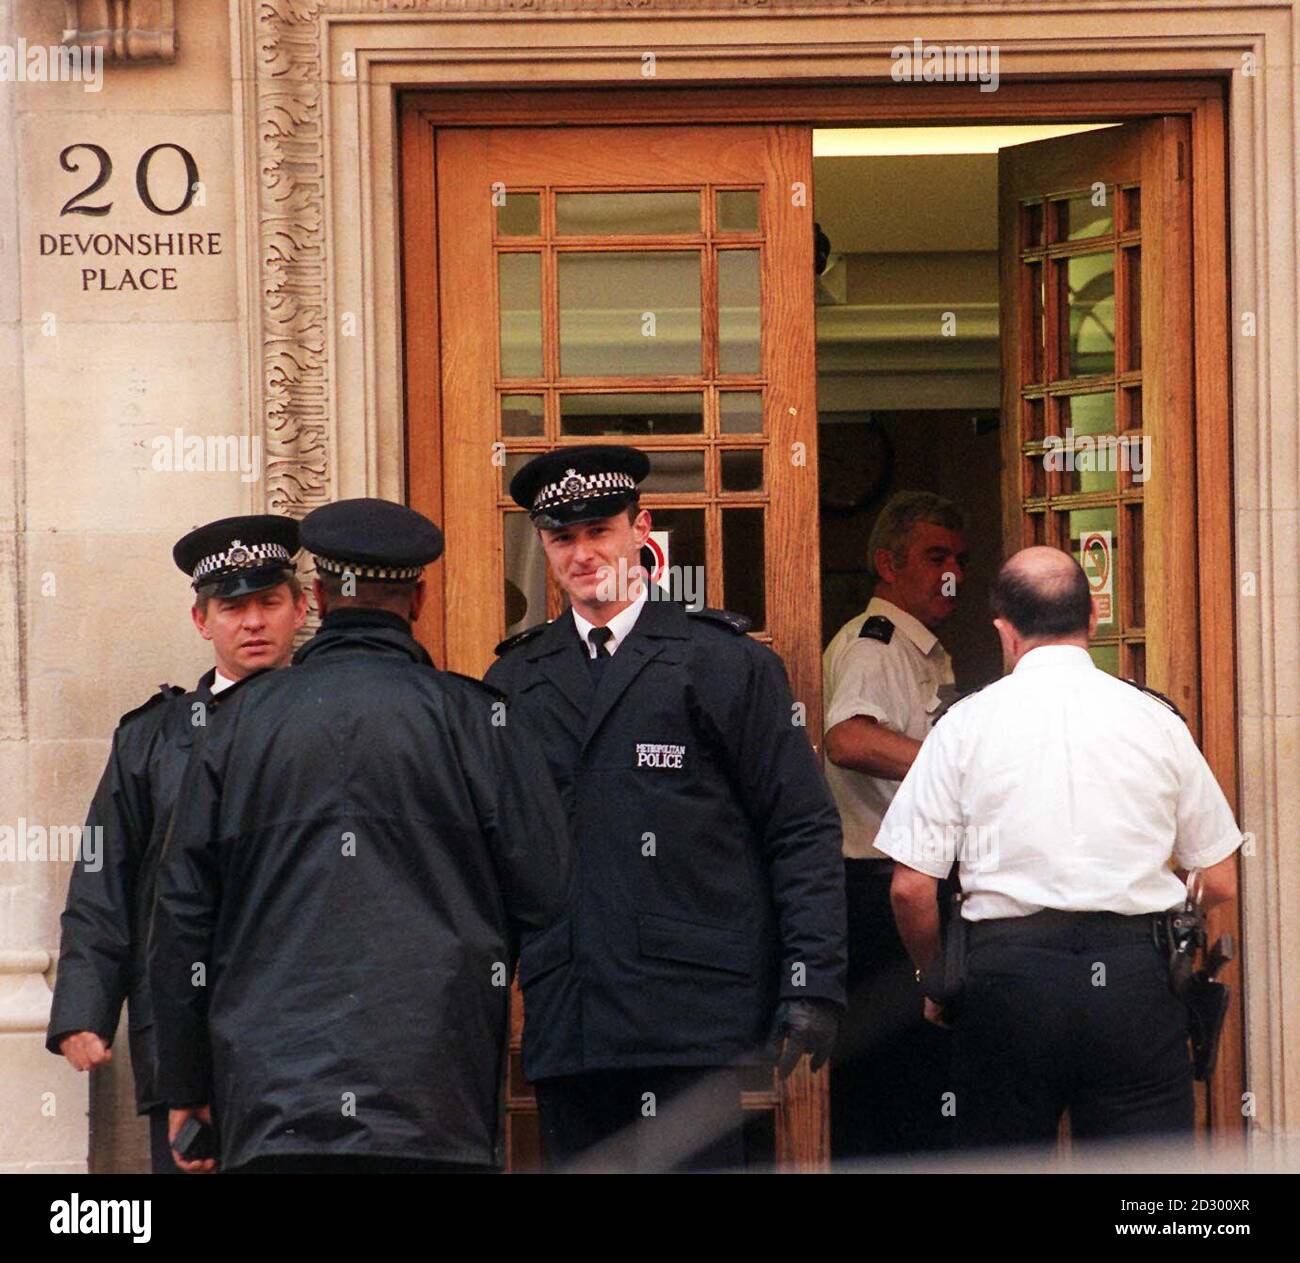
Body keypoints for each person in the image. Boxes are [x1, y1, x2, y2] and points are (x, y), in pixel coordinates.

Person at [148, 498, 571, 1174]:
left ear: (316, 596)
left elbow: (181, 913)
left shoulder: (235, 724)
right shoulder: (478, 720)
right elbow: (547, 892)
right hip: (435, 1097)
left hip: (272, 1101)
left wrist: (186, 1085)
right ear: (420, 598)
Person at [485, 445, 846, 1172]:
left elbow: (799, 827)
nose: (583, 554)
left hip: (693, 1017)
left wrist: (812, 978)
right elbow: (496, 857)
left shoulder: (724, 663)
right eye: (563, 537)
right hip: (572, 1015)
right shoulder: (517, 677)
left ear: (640, 528)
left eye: (599, 531)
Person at [878, 545, 1242, 1147]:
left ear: (1003, 630)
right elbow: (1220, 879)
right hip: (1135, 984)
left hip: (1006, 983)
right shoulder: (1156, 721)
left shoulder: (964, 726)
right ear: (1093, 618)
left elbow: (910, 888)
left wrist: (935, 978)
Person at [46, 515, 307, 1173]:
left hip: (308, 1029)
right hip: (187, 1033)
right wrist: (85, 1006)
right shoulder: (154, 737)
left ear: (301, 607)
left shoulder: (330, 719)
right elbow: (106, 873)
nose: (253, 622)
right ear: (201, 620)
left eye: (269, 602)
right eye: (233, 606)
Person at [821, 490, 967, 1159]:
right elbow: (847, 739)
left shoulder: (922, 650)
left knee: (921, 1084)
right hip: (878, 891)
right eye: (936, 556)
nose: (952, 573)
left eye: (959, 559)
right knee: (888, 1090)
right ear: (888, 562)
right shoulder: (873, 643)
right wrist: (952, 766)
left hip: (911, 886)